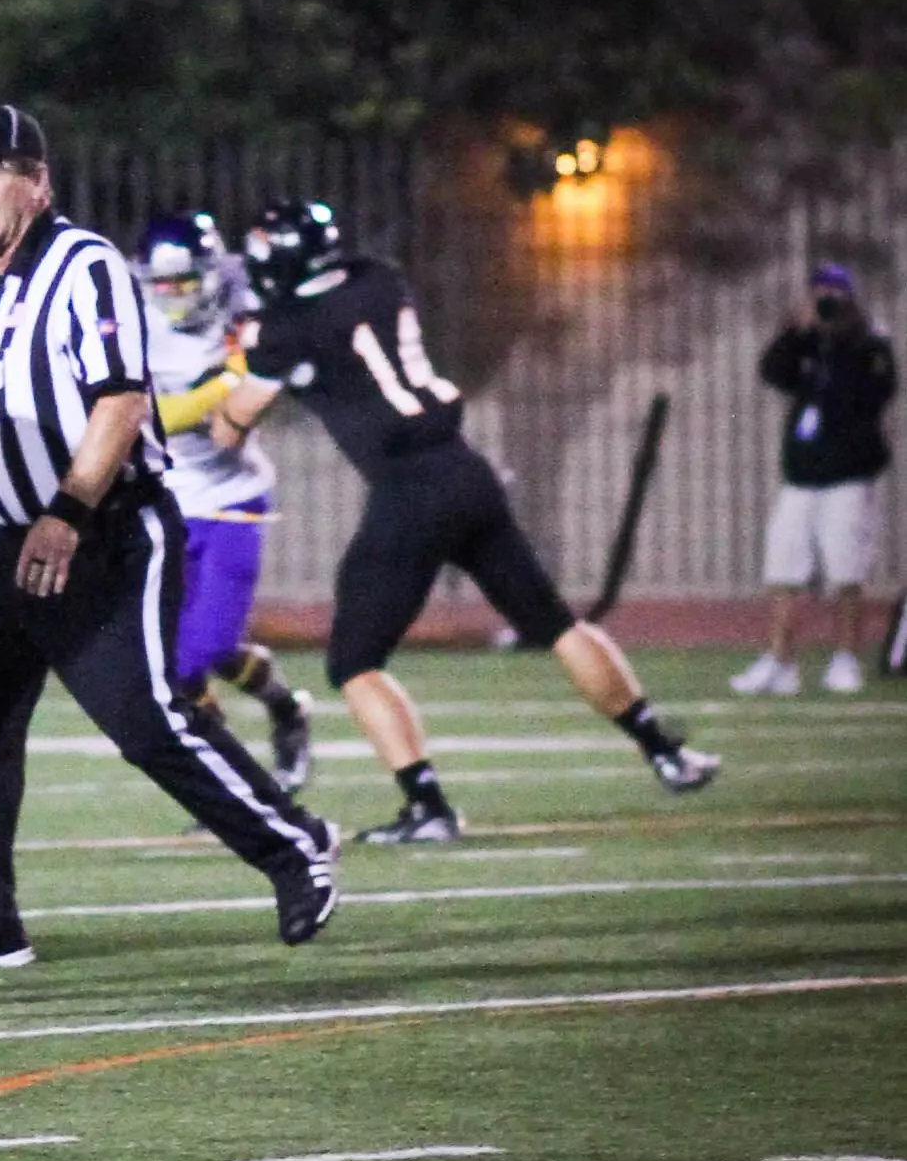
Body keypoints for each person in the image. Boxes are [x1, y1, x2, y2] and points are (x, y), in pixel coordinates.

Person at [0, 104, 339, 972]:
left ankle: (297, 847)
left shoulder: (83, 263)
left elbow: (121, 399)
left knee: (148, 723)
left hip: (100, 531)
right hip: (6, 542)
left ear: (37, 181)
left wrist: (66, 511)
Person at [213, 201, 719, 845]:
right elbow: (336, 342)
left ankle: (428, 806)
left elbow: (233, 424)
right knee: (556, 622)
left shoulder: (289, 328)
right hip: (463, 468)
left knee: (353, 662)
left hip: (407, 491)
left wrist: (237, 369)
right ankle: (664, 752)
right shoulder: (379, 276)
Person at [132, 211, 313, 794]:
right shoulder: (134, 324)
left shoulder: (242, 316)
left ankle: (276, 721)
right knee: (184, 658)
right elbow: (157, 415)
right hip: (164, 503)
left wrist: (224, 385)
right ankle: (238, 768)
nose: (173, 294)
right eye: (162, 283)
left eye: (184, 281)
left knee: (201, 651)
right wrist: (219, 387)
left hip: (232, 499)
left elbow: (230, 403)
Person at [731, 263, 896, 696]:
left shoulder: (868, 341)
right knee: (784, 569)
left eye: (832, 293)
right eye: (817, 292)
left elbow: (874, 392)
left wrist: (839, 339)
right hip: (801, 477)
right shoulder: (806, 340)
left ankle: (845, 658)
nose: (824, 300)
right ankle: (781, 661)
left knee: (846, 569)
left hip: (847, 477)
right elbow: (772, 372)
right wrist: (796, 330)